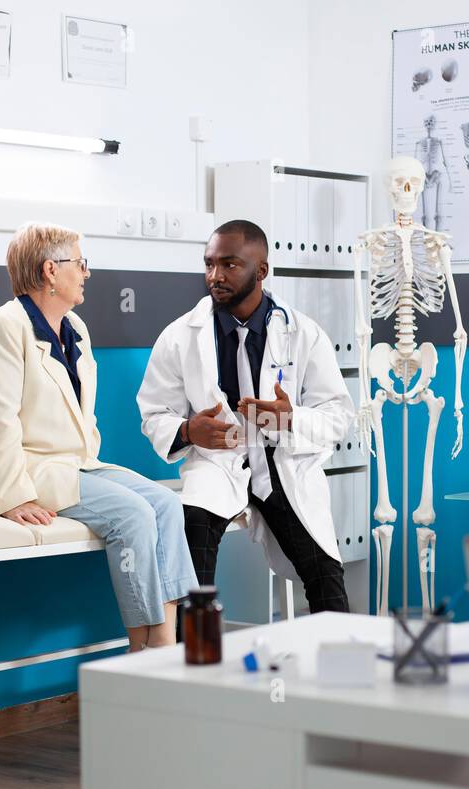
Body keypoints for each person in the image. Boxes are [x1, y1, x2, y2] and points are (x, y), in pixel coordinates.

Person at [0, 222, 196, 651]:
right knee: (133, 515)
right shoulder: (6, 327)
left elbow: (79, 415)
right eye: (80, 263)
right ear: (51, 270)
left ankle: (163, 642)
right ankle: (143, 650)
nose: (86, 272)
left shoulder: (76, 329)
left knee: (165, 504)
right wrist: (15, 497)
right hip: (29, 468)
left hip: (74, 463)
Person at [137, 219, 355, 611]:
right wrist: (188, 431)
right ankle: (192, 665)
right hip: (218, 462)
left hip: (283, 466)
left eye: (229, 265)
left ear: (262, 270)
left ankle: (340, 666)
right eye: (209, 264)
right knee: (192, 566)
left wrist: (291, 419)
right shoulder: (180, 336)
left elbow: (339, 415)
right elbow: (154, 413)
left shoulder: (304, 334)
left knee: (325, 576)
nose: (215, 276)